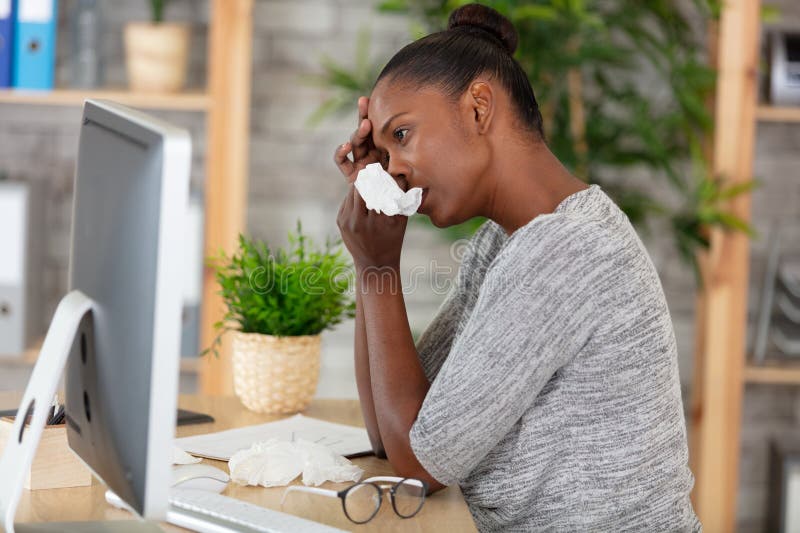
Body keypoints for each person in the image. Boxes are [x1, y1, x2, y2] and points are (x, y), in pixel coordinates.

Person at [333, 3, 700, 531]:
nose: (395, 171)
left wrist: (378, 270)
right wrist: (372, 259)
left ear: (479, 107)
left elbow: (419, 465)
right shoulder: (503, 244)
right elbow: (395, 438)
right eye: (385, 154)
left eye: (403, 136)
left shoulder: (565, 250)